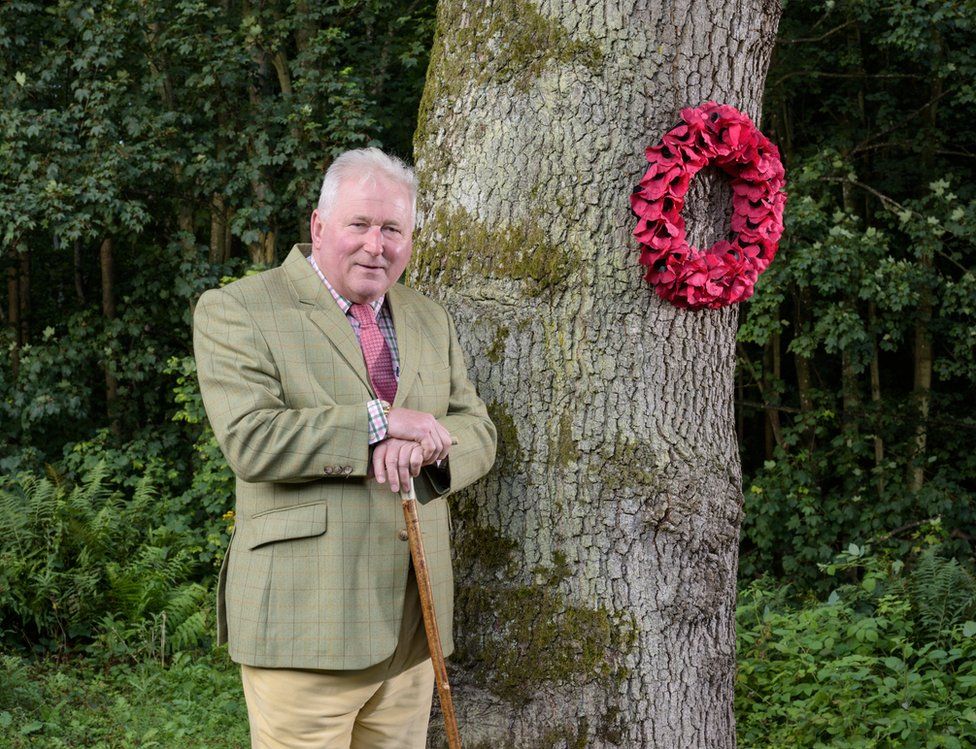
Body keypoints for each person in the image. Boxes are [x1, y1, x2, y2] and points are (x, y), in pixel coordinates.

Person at [193, 147, 497, 748]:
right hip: (306, 627)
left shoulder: (429, 317)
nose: (375, 245)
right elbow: (251, 440)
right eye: (360, 224)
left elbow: (477, 428)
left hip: (413, 628)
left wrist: (426, 452)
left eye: (393, 230)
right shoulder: (238, 310)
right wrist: (378, 425)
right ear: (319, 225)